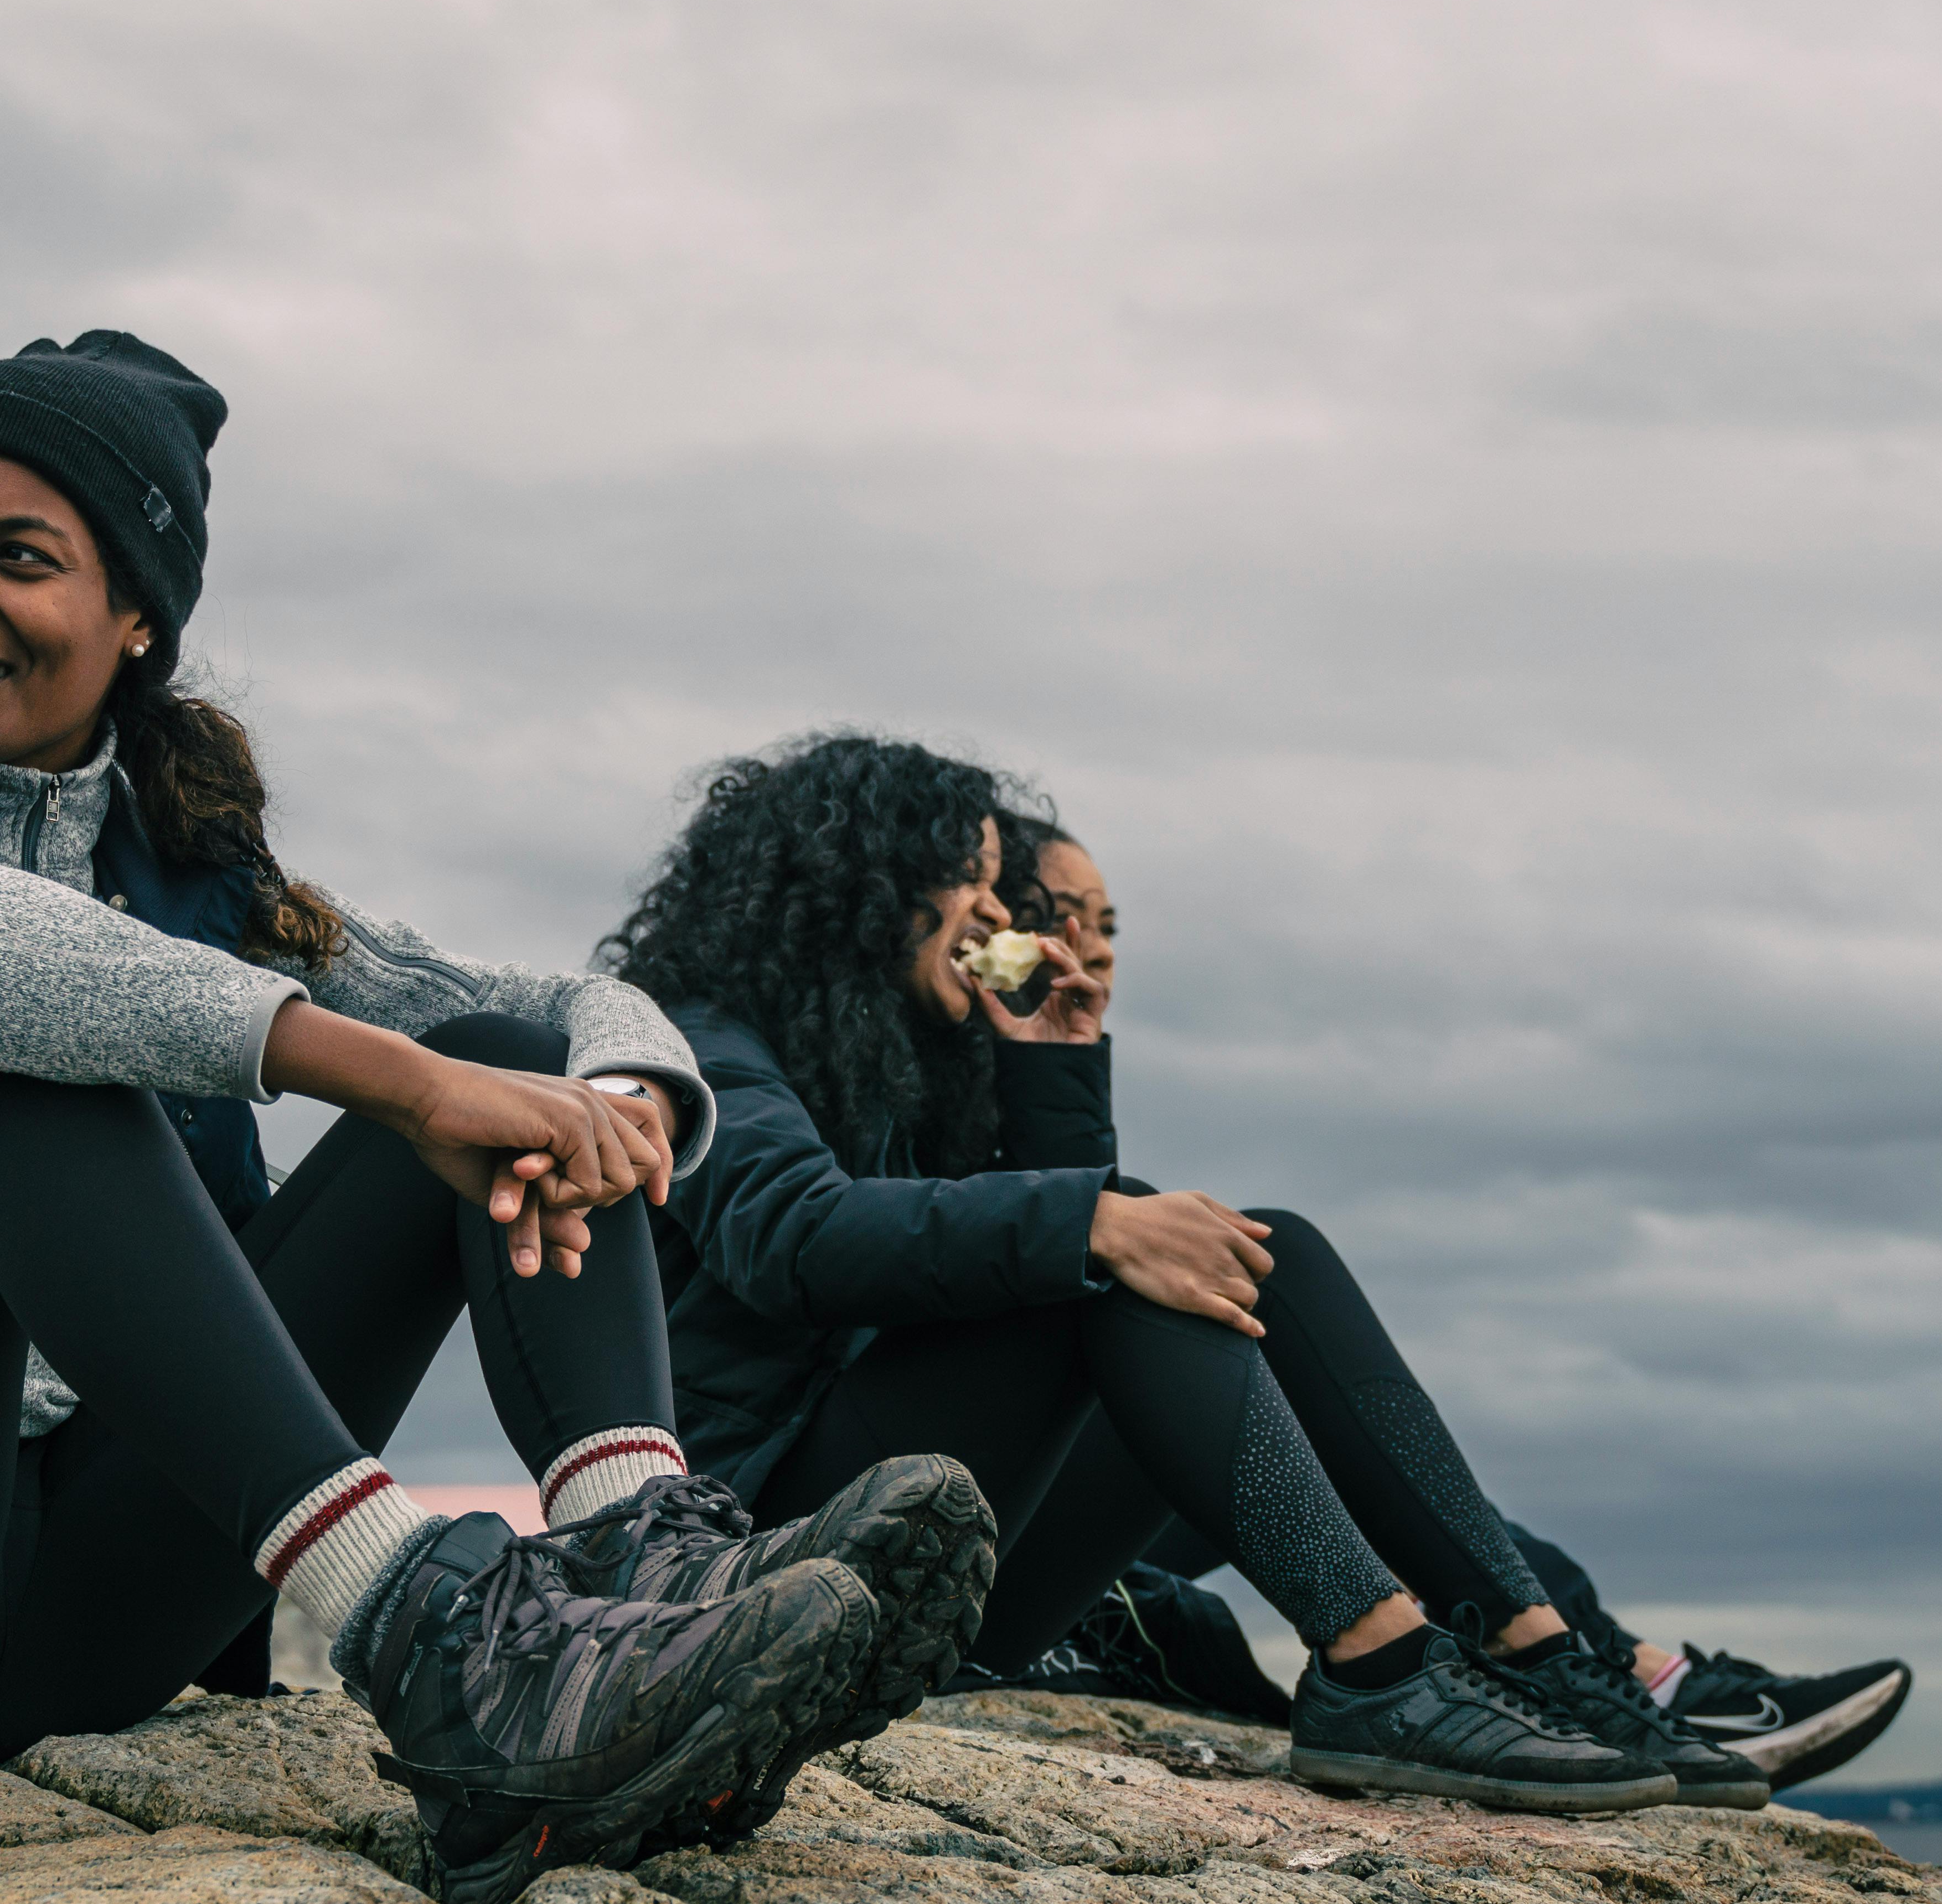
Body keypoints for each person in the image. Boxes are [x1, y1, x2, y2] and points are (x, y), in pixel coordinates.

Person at [0, 334, 994, 1904]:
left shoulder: (194, 875)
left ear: (135, 617)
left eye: (19, 557)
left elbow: (567, 1003)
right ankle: (428, 1631)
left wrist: (610, 1098)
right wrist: (383, 1079)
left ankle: (641, 1570)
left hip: (65, 1621)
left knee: (497, 1049)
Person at [607, 733, 1773, 1817]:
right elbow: (791, 1240)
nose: (993, 911)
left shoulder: (889, 1063)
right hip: (764, 1560)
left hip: (938, 1560)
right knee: (1116, 1258)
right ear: (867, 887)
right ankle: (1379, 1665)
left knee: (1268, 1254)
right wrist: (1095, 1222)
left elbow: (1027, 1261)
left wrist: (1052, 1073)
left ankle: (1539, 1654)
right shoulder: (695, 1036)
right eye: (966, 878)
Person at [984, 814, 1914, 1791]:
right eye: (1059, 916)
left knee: (1307, 1360)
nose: (1089, 948)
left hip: (1044, 1493)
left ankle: (1578, 1666)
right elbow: (1041, 1305)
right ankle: (1552, 1670)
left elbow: (1063, 1274)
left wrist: (1054, 1071)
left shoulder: (1026, 1060)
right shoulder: (888, 1071)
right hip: (978, 1518)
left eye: (1106, 924)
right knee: (1266, 1281)